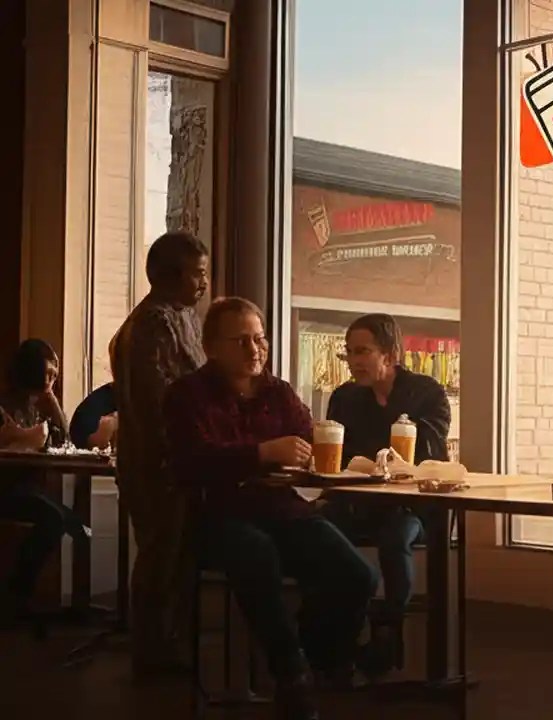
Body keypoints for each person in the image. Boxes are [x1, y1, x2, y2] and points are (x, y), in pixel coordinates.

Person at [165, 297, 377, 720]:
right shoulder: (186, 395)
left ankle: (312, 655)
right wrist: (261, 453)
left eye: (259, 338)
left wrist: (313, 455)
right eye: (241, 340)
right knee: (256, 553)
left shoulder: (278, 392)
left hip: (284, 510)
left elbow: (307, 438)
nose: (255, 349)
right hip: (219, 515)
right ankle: (291, 672)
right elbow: (191, 462)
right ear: (211, 347)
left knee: (357, 574)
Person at [322, 313, 450, 671]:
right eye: (349, 352)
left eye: (362, 351)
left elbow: (427, 451)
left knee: (396, 536)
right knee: (316, 528)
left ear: (390, 354)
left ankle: (388, 629)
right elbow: (340, 459)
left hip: (413, 506)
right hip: (360, 503)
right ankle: (331, 632)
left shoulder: (427, 393)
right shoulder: (345, 397)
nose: (353, 361)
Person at [111, 231, 209, 675]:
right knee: (160, 557)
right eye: (198, 273)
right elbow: (158, 401)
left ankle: (167, 648)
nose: (203, 282)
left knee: (174, 557)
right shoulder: (154, 323)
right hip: (156, 463)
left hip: (172, 461)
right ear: (171, 275)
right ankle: (151, 655)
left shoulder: (180, 316)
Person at [0, 340, 83, 627]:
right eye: (46, 374)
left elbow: (65, 440)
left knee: (70, 521)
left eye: (54, 376)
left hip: (28, 488)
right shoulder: (6, 405)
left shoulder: (38, 406)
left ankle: (73, 605)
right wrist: (24, 438)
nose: (49, 381)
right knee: (55, 519)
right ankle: (15, 597)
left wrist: (54, 403)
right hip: (5, 487)